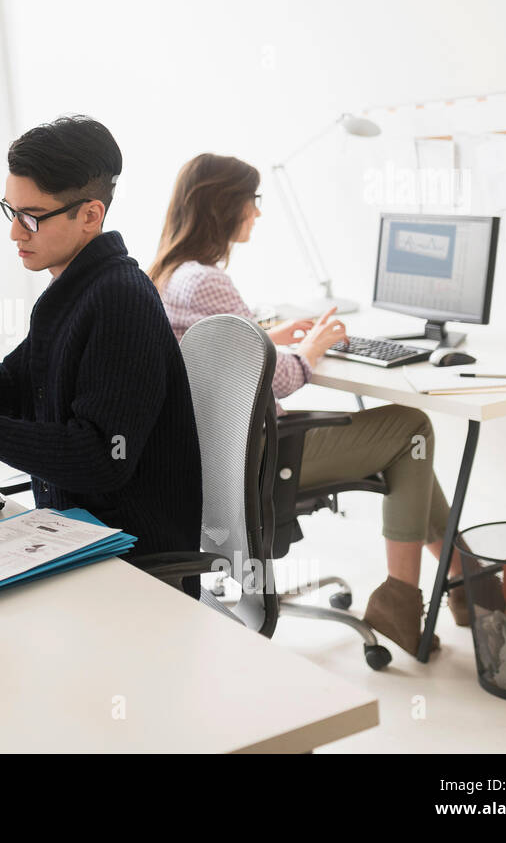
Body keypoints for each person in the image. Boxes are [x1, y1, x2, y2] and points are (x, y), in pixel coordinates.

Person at [149, 152, 468, 657]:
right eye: (252, 200)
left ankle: (468, 585)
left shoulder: (170, 274)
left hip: (215, 456)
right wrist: (312, 348)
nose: (257, 212)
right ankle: (410, 600)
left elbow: (219, 353)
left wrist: (269, 335)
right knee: (411, 429)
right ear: (223, 205)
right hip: (259, 458)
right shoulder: (208, 280)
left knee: (408, 453)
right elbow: (274, 381)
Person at [0, 117, 203, 594]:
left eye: (31, 217)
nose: (14, 233)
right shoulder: (70, 291)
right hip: (72, 534)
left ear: (89, 215)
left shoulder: (120, 298)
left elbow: (100, 457)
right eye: (11, 211)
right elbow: (29, 395)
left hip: (129, 561)